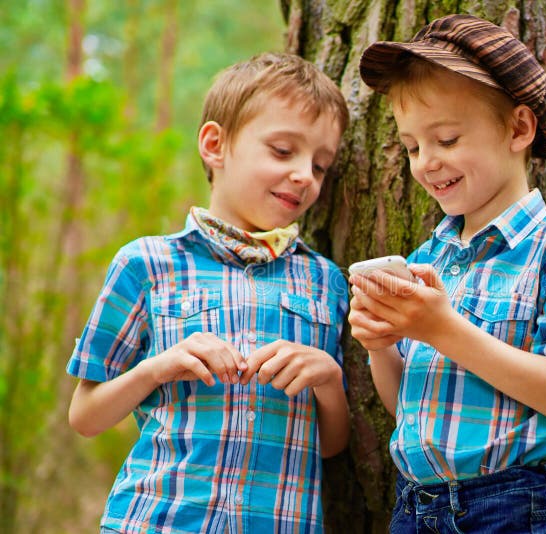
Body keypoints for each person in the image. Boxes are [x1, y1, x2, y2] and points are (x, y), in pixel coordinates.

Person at [348, 14, 546, 533]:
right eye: (412, 147)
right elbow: (407, 406)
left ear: (518, 128)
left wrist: (441, 329)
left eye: (446, 139)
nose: (425, 162)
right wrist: (382, 343)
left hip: (509, 505)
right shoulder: (432, 257)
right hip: (415, 506)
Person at [66, 52, 351, 533]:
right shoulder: (146, 265)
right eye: (283, 151)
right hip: (158, 520)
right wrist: (159, 367)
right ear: (215, 145)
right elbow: (86, 416)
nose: (305, 175)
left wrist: (327, 378)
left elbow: (331, 445)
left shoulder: (326, 281)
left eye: (320, 166)